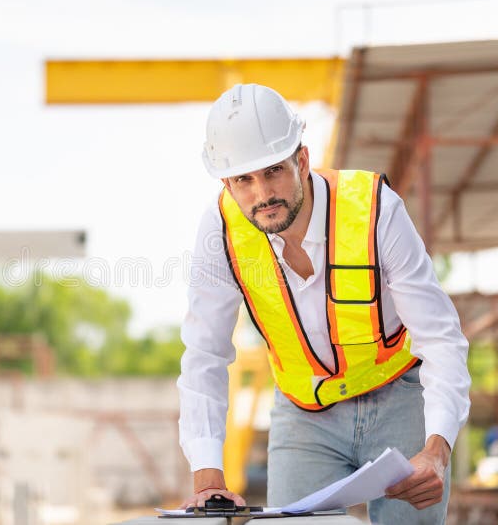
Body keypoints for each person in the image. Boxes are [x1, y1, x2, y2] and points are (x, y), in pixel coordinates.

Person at [177, 83, 471, 524]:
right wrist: (208, 479)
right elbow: (204, 354)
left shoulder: (376, 211)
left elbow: (440, 336)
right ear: (227, 183)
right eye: (244, 180)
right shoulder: (220, 233)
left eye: (273, 170)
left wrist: (436, 450)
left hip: (401, 398)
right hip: (304, 413)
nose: (262, 194)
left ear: (302, 159)